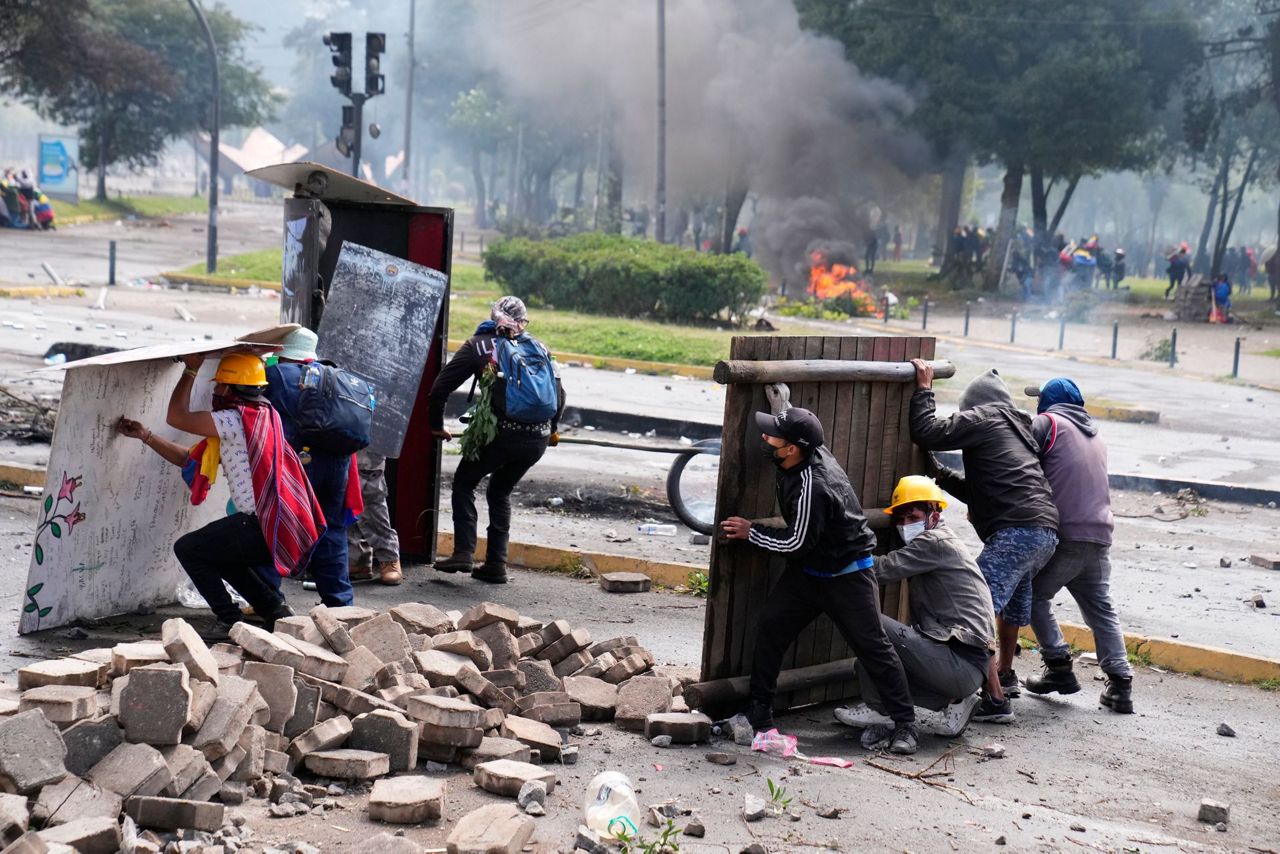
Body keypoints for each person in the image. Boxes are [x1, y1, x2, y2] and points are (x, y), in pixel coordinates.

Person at [721, 407, 918, 754]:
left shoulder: (814, 484)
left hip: (847, 574)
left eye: (773, 437)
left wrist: (752, 532)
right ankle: (759, 712)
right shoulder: (800, 454)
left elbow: (796, 543)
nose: (765, 439)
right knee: (771, 628)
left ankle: (905, 725)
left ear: (792, 449)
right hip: (811, 572)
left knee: (874, 648)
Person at [117, 352, 325, 640]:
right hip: (278, 524)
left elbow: (176, 416)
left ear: (228, 388)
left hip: (260, 524)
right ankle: (274, 610)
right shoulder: (262, 415)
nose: (214, 390)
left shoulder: (233, 420)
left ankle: (228, 619)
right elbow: (189, 460)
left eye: (218, 385)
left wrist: (191, 370)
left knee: (189, 549)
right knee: (222, 555)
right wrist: (146, 436)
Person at [908, 362, 1059, 724]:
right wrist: (940, 476)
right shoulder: (1019, 428)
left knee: (974, 609)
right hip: (1045, 532)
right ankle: (1005, 676)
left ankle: (993, 699)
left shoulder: (984, 417)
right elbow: (989, 488)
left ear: (974, 405)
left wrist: (924, 389)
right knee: (1009, 610)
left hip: (1016, 531)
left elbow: (927, 431)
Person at [832, 476, 996, 740]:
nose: (906, 525)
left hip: (959, 664)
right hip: (965, 667)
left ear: (934, 513)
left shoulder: (935, 542)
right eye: (901, 519)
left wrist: (840, 548)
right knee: (866, 665)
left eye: (913, 517)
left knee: (867, 621)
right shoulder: (941, 542)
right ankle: (954, 703)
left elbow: (882, 568)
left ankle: (880, 710)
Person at [429, 296, 565, 584]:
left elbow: (439, 389)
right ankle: (495, 564)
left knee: (465, 482)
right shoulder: (539, 346)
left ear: (492, 316)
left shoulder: (479, 345)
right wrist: (552, 430)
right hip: (537, 438)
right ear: (524, 320)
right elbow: (559, 394)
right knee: (500, 492)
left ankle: (464, 552)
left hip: (501, 433)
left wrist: (436, 426)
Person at [1024, 379, 1134, 714]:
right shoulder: (1096, 434)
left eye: (1040, 398)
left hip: (1067, 535)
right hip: (1099, 535)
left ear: (1049, 401)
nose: (1037, 404)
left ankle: (1058, 666)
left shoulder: (1049, 423)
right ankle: (1120, 684)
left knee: (1032, 596)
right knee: (1101, 609)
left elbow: (1016, 458)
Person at [261, 328, 368, 598]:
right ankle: (340, 604)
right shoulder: (334, 376)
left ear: (282, 351)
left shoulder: (277, 375)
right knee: (331, 529)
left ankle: (269, 599)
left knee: (275, 523)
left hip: (300, 464)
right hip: (338, 466)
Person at [347, 450, 402, 585]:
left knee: (369, 486)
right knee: (346, 485)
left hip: (373, 437)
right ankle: (357, 558)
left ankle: (389, 556)